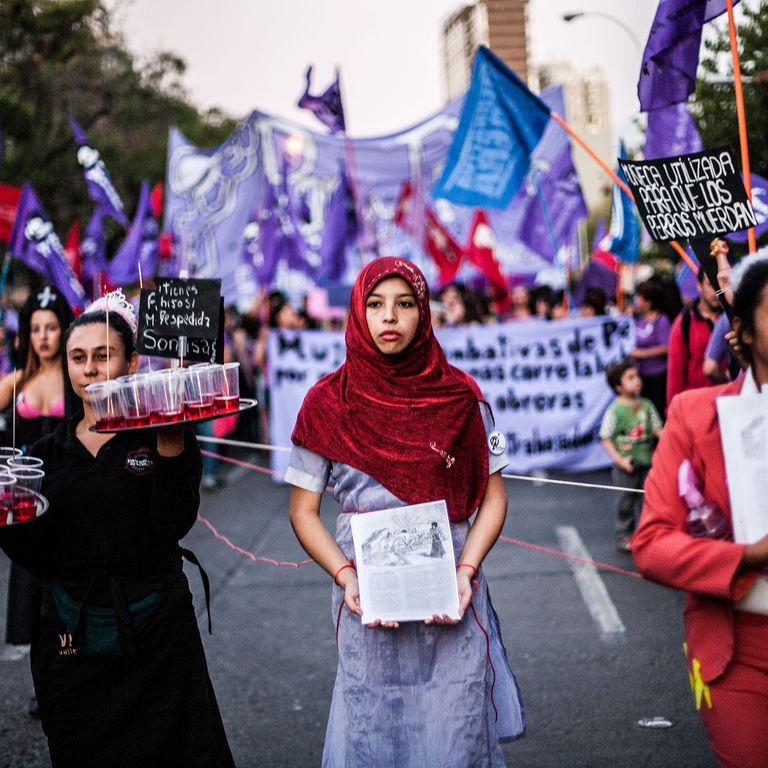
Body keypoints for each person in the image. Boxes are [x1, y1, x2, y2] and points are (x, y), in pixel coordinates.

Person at [286, 257, 524, 767]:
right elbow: (303, 510)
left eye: (404, 303)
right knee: (372, 726)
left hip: (453, 599)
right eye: (375, 304)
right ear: (358, 312)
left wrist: (465, 570)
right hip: (367, 600)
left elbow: (494, 497)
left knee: (456, 730)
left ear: (424, 313)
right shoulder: (326, 404)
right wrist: (346, 575)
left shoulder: (463, 398)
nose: (388, 317)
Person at [0, 291, 234, 767]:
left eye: (103, 355)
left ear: (131, 363)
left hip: (159, 640)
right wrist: (7, 518)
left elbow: (172, 524)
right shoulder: (45, 454)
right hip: (73, 642)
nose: (89, 369)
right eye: (78, 357)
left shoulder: (161, 430)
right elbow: (34, 555)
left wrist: (170, 442)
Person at [633, 251, 768, 768]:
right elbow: (651, 544)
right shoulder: (695, 415)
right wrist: (748, 556)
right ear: (743, 331)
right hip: (739, 651)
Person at [0, 286, 73, 717]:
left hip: (67, 502)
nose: (43, 336)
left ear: (63, 330)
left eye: (50, 327)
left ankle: (70, 681)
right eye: (35, 329)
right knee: (34, 604)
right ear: (25, 334)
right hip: (28, 506)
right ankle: (44, 687)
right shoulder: (19, 380)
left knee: (65, 597)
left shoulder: (74, 377)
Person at [599, 358, 662, 553]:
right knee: (626, 500)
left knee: (648, 501)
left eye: (637, 376)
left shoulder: (647, 405)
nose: (637, 381)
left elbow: (657, 430)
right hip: (626, 466)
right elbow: (606, 437)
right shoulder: (615, 411)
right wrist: (620, 460)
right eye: (630, 378)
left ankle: (645, 535)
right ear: (618, 386)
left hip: (647, 462)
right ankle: (624, 534)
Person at [666, 267, 722, 406]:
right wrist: (673, 410)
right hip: (696, 405)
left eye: (720, 284)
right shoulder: (684, 322)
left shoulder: (732, 319)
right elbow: (675, 374)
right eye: (711, 284)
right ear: (699, 285)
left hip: (729, 402)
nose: (716, 291)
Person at [631, 280, 671, 420]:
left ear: (648, 302)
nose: (635, 300)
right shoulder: (638, 319)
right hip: (642, 375)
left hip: (658, 376)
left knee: (657, 411)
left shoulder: (662, 320)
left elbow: (666, 347)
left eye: (639, 297)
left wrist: (642, 354)